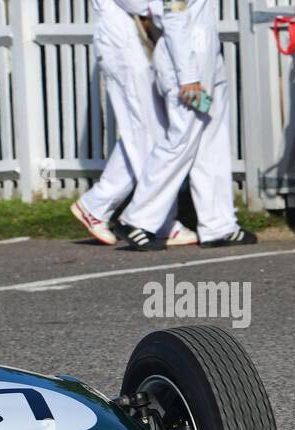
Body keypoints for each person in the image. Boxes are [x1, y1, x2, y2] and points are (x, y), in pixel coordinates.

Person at [118, 0, 255, 250]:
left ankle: (218, 225)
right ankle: (137, 218)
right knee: (180, 142)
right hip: (185, 63)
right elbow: (173, 16)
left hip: (206, 58)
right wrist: (188, 76)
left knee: (210, 144)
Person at [69, 0, 194, 247]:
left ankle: (97, 204)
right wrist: (168, 10)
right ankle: (159, 221)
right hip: (122, 42)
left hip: (129, 41)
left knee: (145, 132)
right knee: (145, 132)